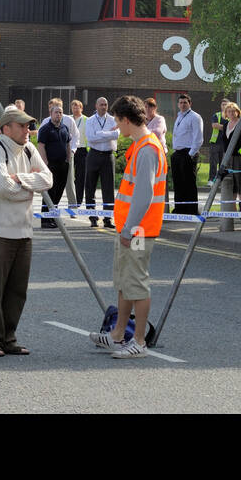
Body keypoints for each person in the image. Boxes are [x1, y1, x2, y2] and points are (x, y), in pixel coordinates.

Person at [88, 95, 167, 359]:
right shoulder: (141, 145)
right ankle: (118, 335)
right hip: (134, 228)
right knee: (125, 282)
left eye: (117, 122)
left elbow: (143, 195)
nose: (116, 128)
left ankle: (140, 341)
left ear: (125, 119)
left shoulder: (146, 149)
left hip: (138, 230)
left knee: (137, 283)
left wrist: (129, 229)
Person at [0, 105, 53, 358]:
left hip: (24, 230)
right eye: (22, 126)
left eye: (29, 126)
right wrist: (30, 186)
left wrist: (19, 180)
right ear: (6, 128)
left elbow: (49, 179)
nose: (28, 130)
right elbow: (2, 188)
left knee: (17, 291)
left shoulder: (30, 149)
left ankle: (8, 338)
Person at [83, 97, 120, 229]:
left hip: (108, 156)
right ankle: (93, 217)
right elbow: (91, 138)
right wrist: (107, 134)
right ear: (96, 105)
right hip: (93, 155)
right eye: (101, 105)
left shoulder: (113, 119)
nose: (104, 107)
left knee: (108, 189)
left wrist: (101, 134)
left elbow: (116, 134)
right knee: (90, 187)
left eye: (105, 104)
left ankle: (108, 218)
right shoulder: (90, 120)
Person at [36, 103, 73, 229]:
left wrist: (68, 159)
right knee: (50, 192)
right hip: (50, 165)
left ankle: (54, 218)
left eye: (60, 112)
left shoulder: (65, 128)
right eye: (56, 112)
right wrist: (45, 164)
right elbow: (41, 146)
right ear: (51, 114)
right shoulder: (45, 129)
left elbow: (68, 145)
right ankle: (46, 220)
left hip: (63, 165)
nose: (58, 114)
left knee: (58, 193)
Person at [170, 93, 204, 215]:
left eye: (185, 102)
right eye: (181, 102)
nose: (183, 105)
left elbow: (198, 138)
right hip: (177, 153)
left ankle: (191, 210)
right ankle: (179, 208)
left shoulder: (195, 117)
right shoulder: (179, 116)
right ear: (178, 104)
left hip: (188, 153)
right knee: (178, 182)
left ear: (190, 103)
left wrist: (191, 154)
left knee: (189, 182)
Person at [220, 103, 241, 205]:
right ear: (226, 113)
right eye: (229, 111)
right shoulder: (225, 125)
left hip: (238, 157)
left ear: (237, 112)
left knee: (240, 181)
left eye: (233, 111)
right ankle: (232, 208)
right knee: (230, 182)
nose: (231, 113)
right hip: (227, 157)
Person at [206, 99, 231, 187]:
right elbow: (214, 125)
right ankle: (211, 180)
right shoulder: (216, 115)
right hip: (215, 142)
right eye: (222, 104)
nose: (224, 106)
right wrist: (227, 127)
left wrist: (222, 127)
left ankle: (220, 181)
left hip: (225, 144)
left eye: (226, 105)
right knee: (213, 162)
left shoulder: (231, 116)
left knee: (223, 163)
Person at [70, 99, 89, 210]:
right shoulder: (68, 118)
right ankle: (71, 200)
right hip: (71, 150)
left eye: (77, 107)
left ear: (81, 108)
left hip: (82, 150)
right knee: (70, 177)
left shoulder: (86, 119)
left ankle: (78, 200)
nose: (75, 108)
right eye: (73, 106)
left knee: (80, 177)